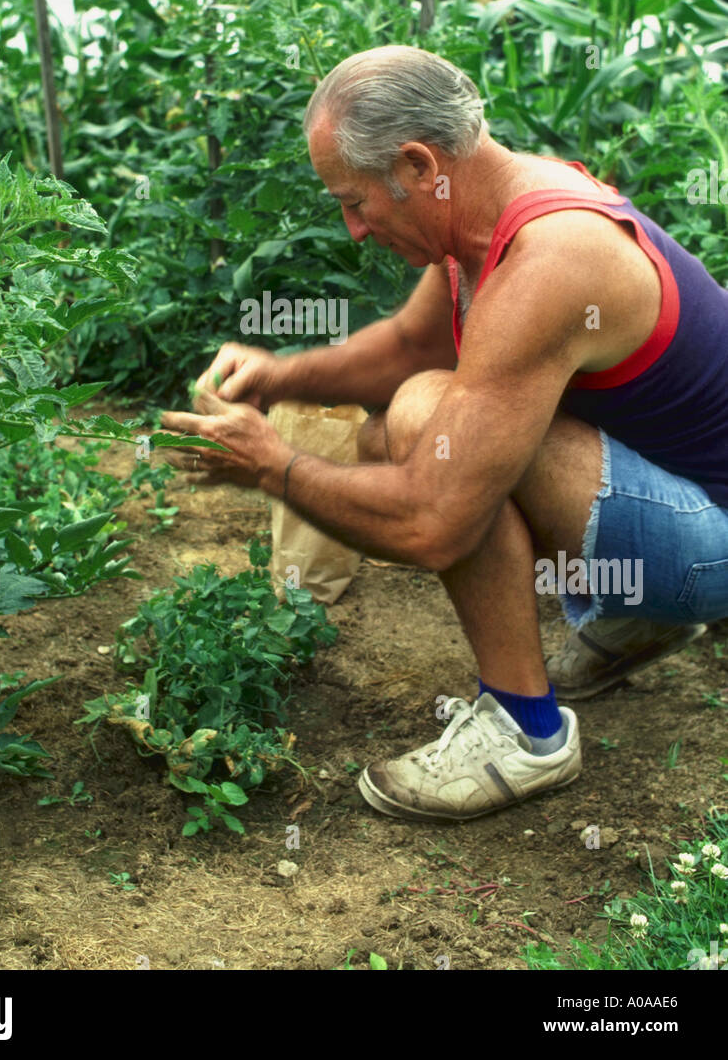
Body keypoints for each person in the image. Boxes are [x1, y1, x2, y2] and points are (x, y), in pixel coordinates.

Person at [161, 45, 728, 822]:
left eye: (356, 201)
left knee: (428, 422)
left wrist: (273, 466)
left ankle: (526, 735)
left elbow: (434, 523)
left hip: (711, 540)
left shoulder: (552, 258)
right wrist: (280, 374)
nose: (353, 230)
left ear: (419, 164)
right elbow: (407, 347)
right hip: (678, 495)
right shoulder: (488, 214)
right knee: (395, 424)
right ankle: (636, 616)